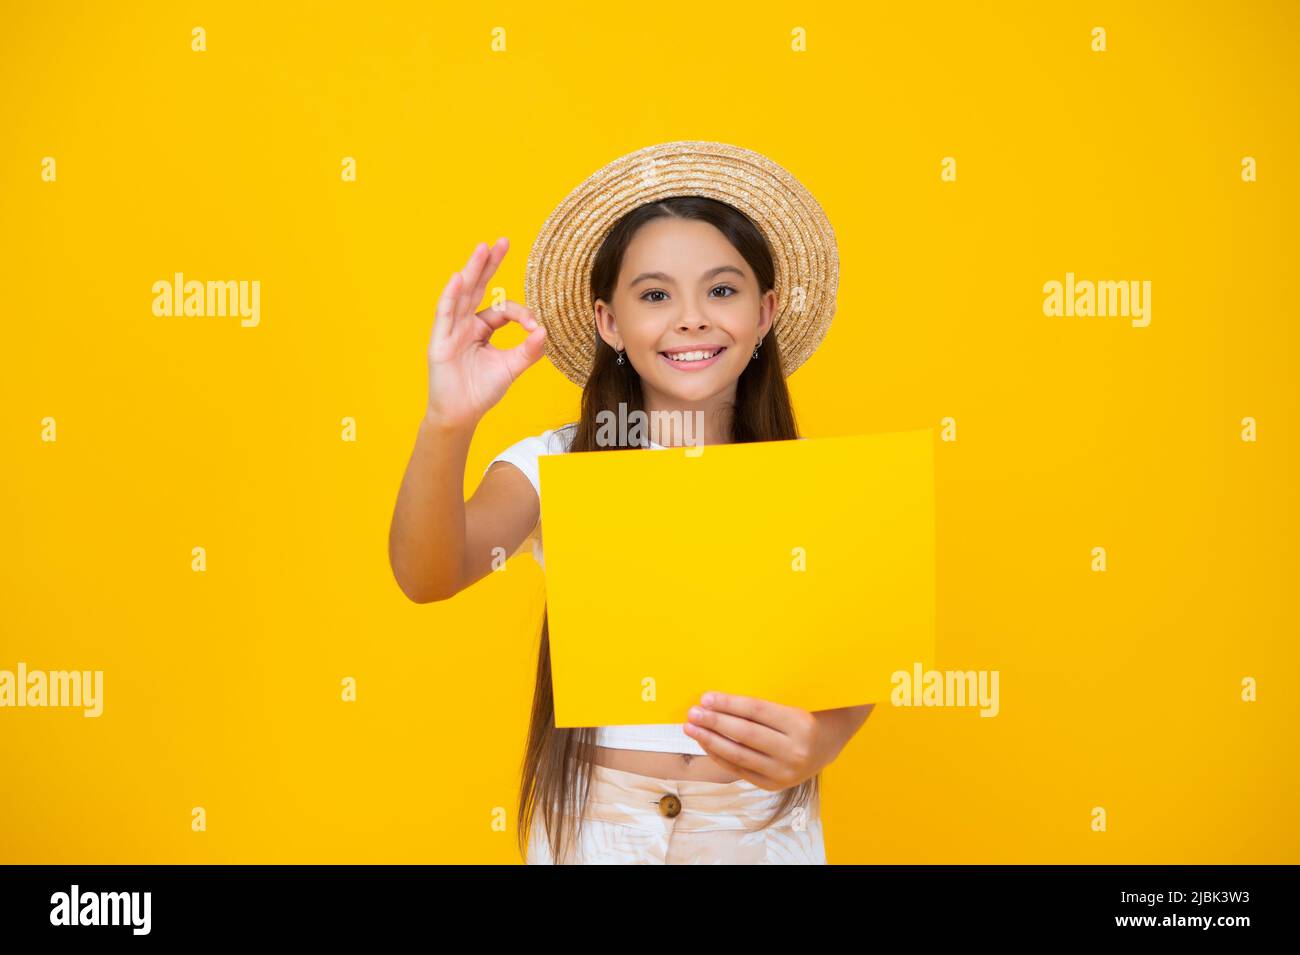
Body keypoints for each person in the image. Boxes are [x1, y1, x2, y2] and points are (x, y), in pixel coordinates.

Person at [389, 141, 873, 864]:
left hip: (760, 833)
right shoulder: (558, 462)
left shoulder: (806, 480)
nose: (690, 319)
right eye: (654, 295)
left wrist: (825, 737)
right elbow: (428, 575)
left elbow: (859, 648)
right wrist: (448, 421)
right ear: (609, 323)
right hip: (600, 833)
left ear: (766, 310)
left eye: (721, 290)